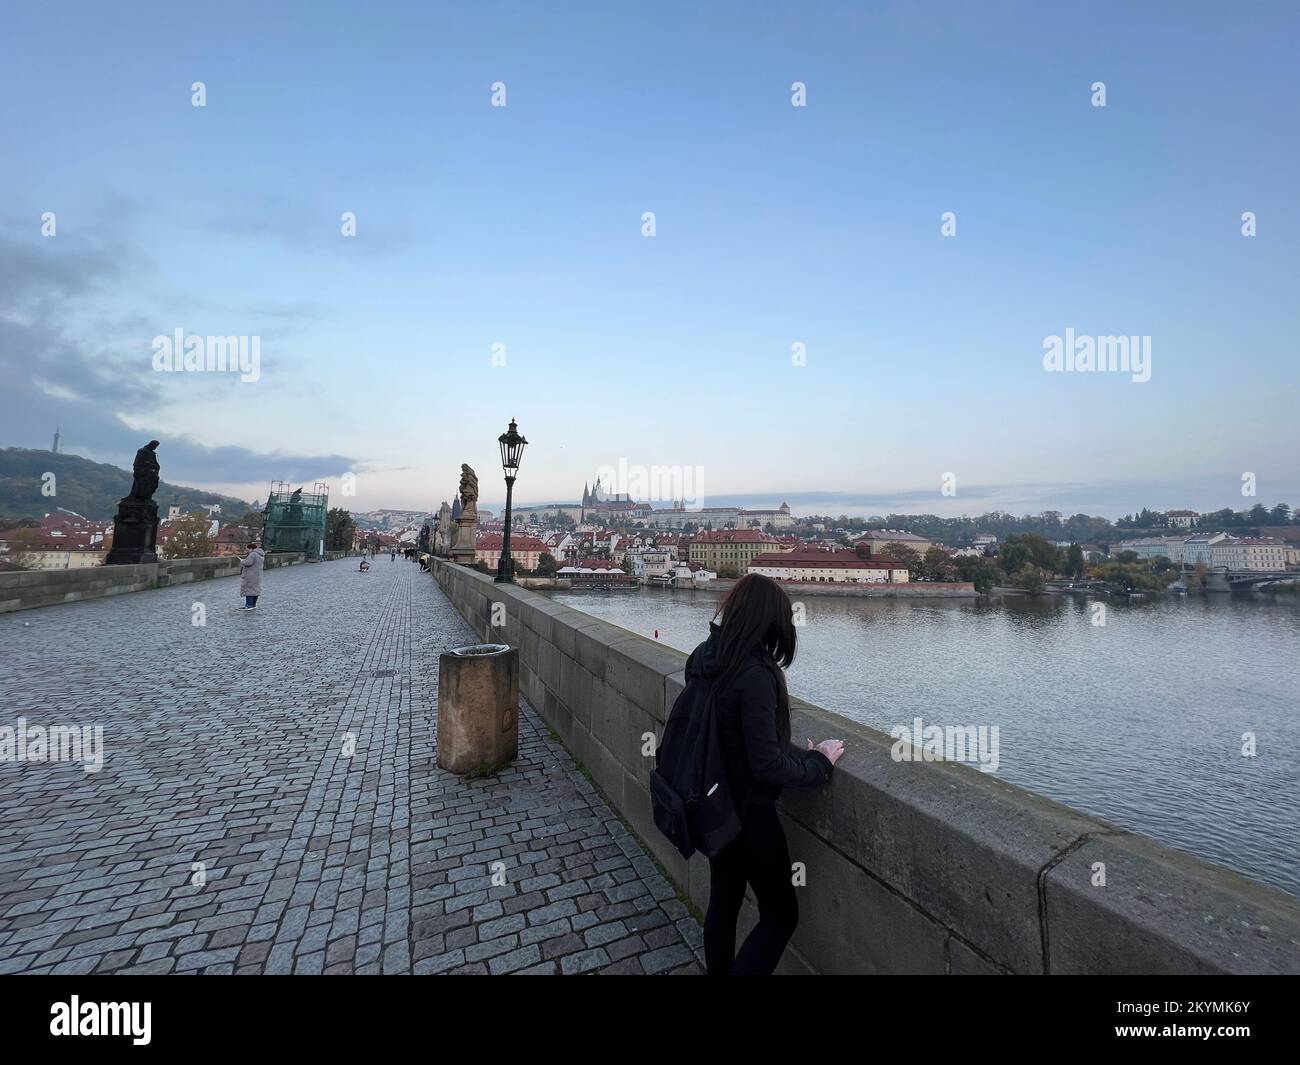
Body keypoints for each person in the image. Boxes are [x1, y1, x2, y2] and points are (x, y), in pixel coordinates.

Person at [684, 572, 844, 975]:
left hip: (710, 805)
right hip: (749, 817)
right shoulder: (754, 673)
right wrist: (819, 764)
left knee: (724, 902)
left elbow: (728, 735)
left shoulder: (704, 656)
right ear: (771, 622)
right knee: (779, 916)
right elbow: (766, 765)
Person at [239, 541, 265, 609]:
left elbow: (249, 563)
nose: (247, 551)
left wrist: (242, 561)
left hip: (251, 575)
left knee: (249, 590)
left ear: (251, 549)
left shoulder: (253, 554)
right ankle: (253, 604)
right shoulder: (260, 554)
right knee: (255, 590)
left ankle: (249, 605)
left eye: (247, 549)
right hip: (257, 574)